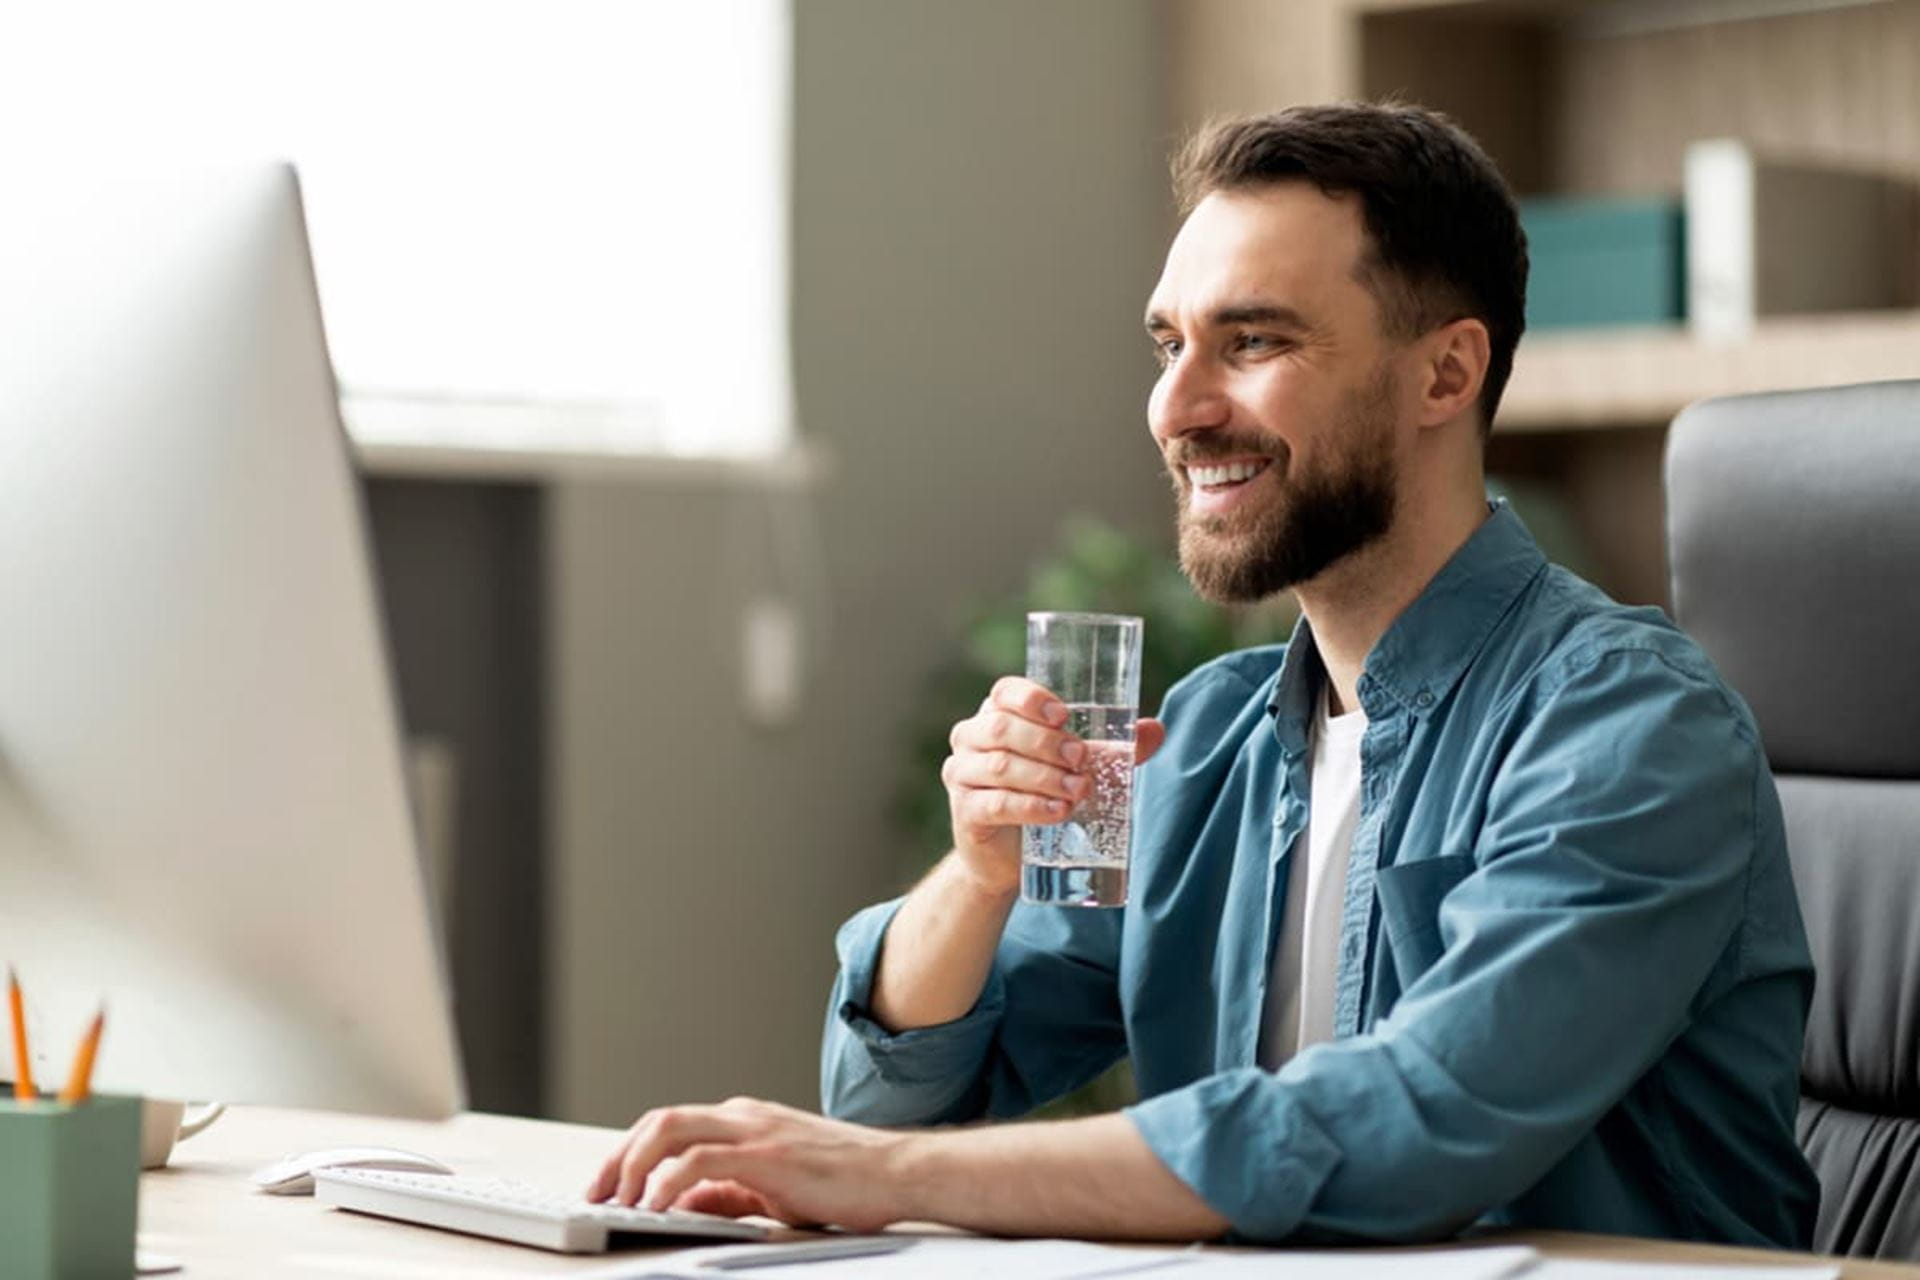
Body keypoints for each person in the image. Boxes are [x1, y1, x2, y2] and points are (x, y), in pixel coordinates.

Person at [587, 102, 1821, 1247]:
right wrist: (978, 874)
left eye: (1254, 340)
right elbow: (885, 1095)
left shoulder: (1629, 721)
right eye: (1170, 344)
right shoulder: (1206, 739)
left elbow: (1417, 1119)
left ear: (1445, 374)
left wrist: (885, 1175)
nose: (1175, 408)